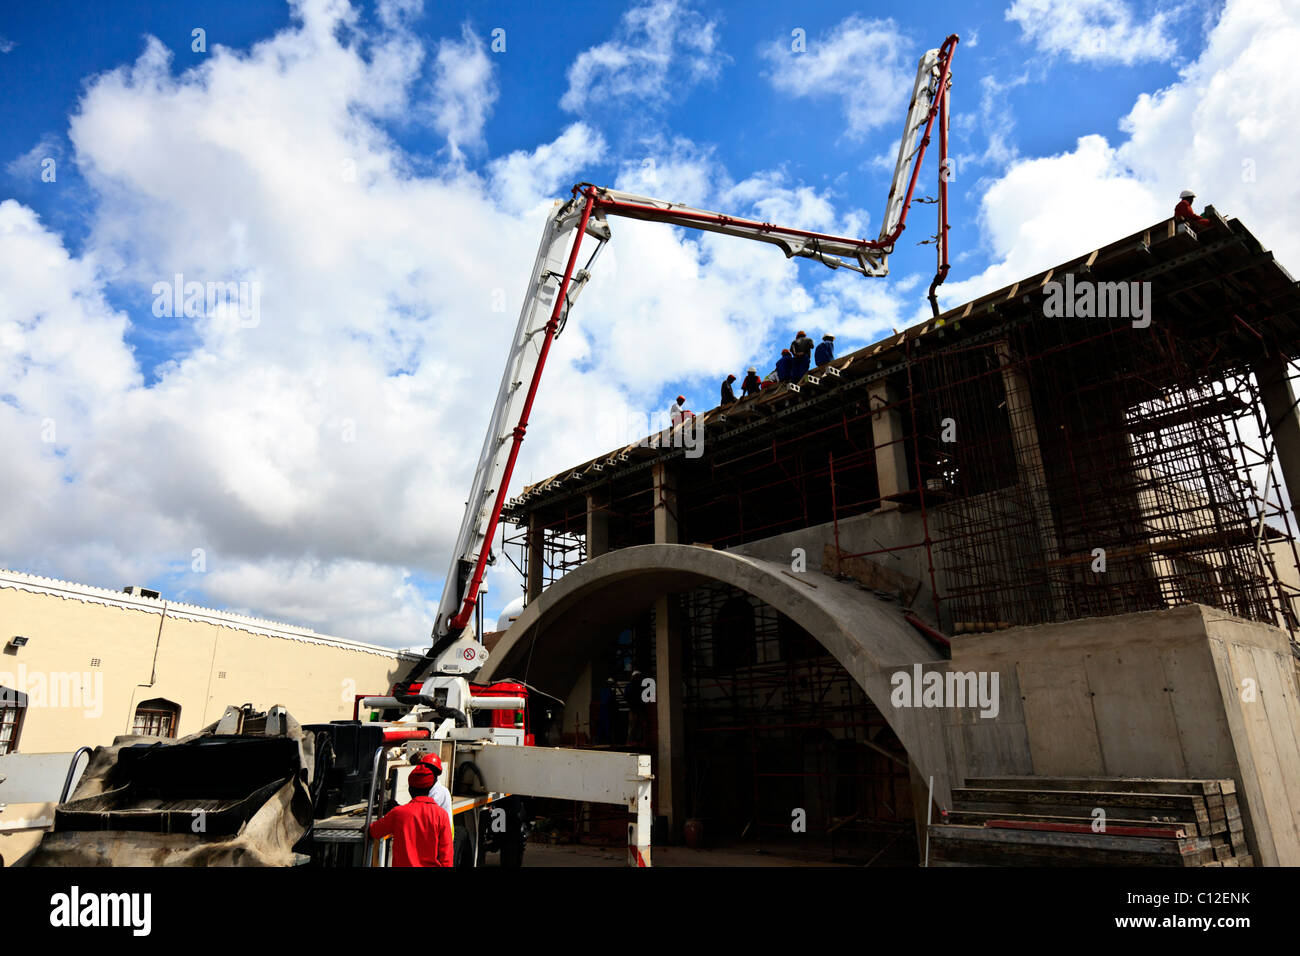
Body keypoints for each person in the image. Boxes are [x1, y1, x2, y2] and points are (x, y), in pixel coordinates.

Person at [367, 763, 453, 867]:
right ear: (430, 789)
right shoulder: (441, 815)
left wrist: (367, 828)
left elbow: (374, 831)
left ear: (410, 789)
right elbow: (446, 857)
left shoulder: (398, 813)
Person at [413, 753, 453, 830]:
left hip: (439, 837)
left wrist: (399, 808)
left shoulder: (440, 792)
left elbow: (422, 813)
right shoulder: (431, 788)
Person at [625, 668, 648, 747]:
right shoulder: (639, 686)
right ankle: (633, 742)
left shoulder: (631, 686)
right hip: (637, 709)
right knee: (636, 726)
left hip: (635, 709)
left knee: (635, 726)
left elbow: (626, 696)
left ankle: (632, 742)